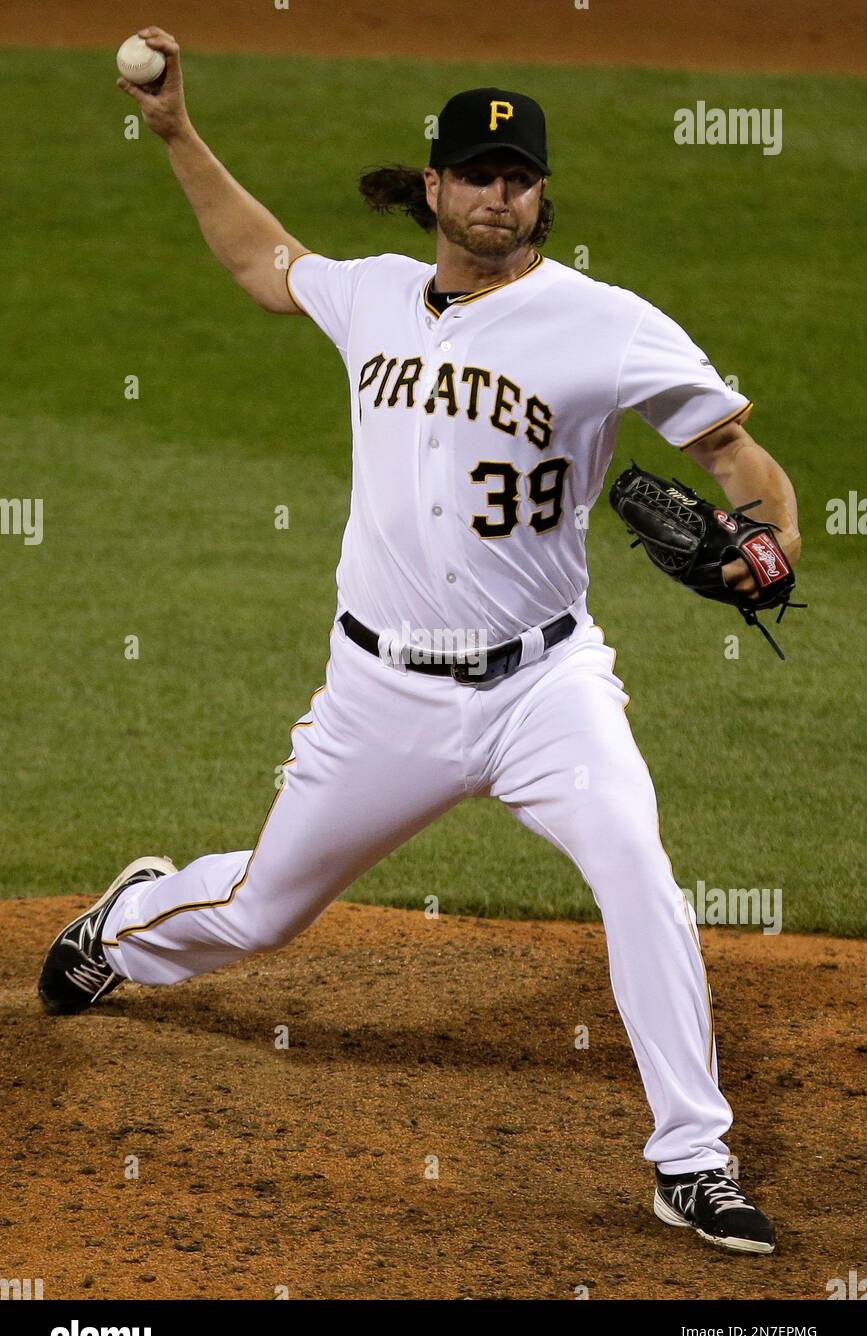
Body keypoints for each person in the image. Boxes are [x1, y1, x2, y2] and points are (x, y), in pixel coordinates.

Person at [40, 27, 802, 1256]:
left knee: (640, 872)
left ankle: (691, 1157)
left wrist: (770, 543)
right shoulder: (374, 295)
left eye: (518, 176)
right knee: (258, 912)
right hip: (381, 695)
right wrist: (176, 131)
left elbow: (733, 454)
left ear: (542, 193)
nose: (497, 194)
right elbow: (263, 260)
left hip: (545, 685)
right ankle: (120, 923)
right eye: (475, 173)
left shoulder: (605, 323)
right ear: (434, 185)